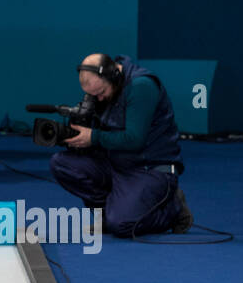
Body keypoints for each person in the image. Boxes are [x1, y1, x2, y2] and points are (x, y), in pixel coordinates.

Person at [50, 53, 192, 237]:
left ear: (114, 76)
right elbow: (102, 132)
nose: (99, 99)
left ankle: (173, 209)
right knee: (61, 164)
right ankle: (108, 214)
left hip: (149, 168)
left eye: (101, 93)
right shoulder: (105, 90)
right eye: (93, 95)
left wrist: (93, 137)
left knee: (123, 225)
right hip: (116, 163)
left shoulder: (141, 86)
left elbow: (134, 139)